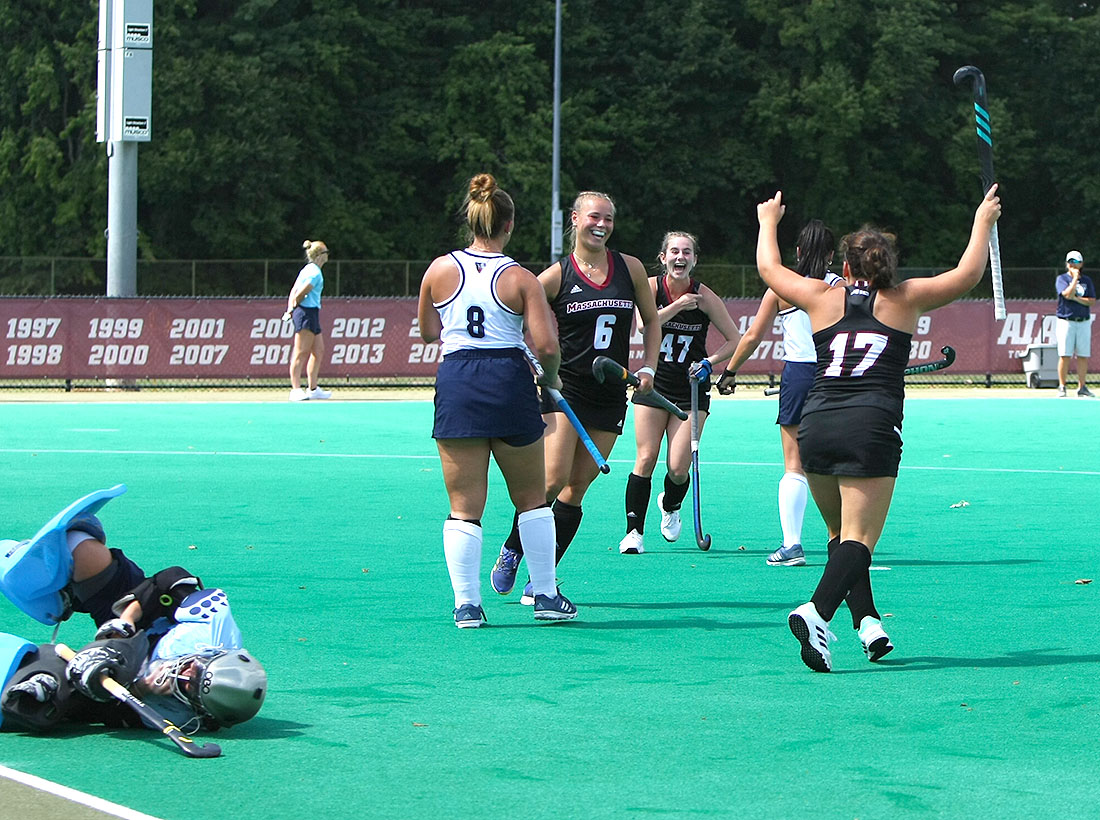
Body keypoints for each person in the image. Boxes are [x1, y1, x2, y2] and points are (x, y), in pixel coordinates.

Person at [754, 186, 1001, 672]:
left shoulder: (823, 296)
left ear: (845, 268)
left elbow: (769, 269)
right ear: (889, 263)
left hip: (817, 421)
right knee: (860, 541)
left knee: (839, 532)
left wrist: (768, 222)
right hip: (870, 426)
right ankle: (816, 611)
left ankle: (867, 621)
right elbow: (968, 273)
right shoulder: (906, 297)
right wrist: (982, 220)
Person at [417, 173, 576, 626]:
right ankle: (545, 595)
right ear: (509, 226)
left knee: (464, 505)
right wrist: (550, 381)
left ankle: (467, 605)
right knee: (531, 497)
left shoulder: (439, 270)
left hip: (458, 382)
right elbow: (546, 346)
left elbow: (430, 331)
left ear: (472, 221)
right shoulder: (520, 277)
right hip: (508, 381)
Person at [490, 190, 662, 599]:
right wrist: (534, 364)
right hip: (566, 392)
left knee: (576, 488)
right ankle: (512, 550)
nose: (601, 225)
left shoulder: (630, 268)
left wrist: (649, 367)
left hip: (610, 393)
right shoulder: (557, 275)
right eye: (593, 217)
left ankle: (541, 580)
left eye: (608, 219)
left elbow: (652, 322)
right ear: (575, 220)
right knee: (551, 481)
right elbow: (513, 315)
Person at [0, 485, 267, 733]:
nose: (185, 674)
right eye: (196, 669)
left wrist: (138, 688)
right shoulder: (215, 623)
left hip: (123, 672)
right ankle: (62, 592)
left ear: (199, 706)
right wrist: (125, 622)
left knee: (36, 701)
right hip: (141, 619)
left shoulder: (180, 718)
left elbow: (112, 715)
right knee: (79, 546)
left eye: (189, 686)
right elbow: (170, 580)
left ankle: (41, 675)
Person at [717, 219, 843, 567]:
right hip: (834, 376)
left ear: (798, 251)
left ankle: (792, 545)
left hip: (799, 375)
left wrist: (729, 372)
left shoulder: (781, 288)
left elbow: (753, 336)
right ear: (832, 254)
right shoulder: (841, 289)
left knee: (794, 464)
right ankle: (847, 539)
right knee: (836, 461)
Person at [620, 231, 739, 554]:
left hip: (690, 389)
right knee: (645, 457)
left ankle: (670, 506)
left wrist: (709, 362)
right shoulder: (652, 287)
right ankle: (634, 532)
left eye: (687, 252)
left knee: (677, 468)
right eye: (674, 251)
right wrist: (678, 307)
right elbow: (643, 326)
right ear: (663, 258)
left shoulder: (704, 296)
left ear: (694, 260)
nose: (680, 257)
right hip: (653, 384)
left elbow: (734, 339)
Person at [285, 239, 332, 401]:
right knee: (301, 352)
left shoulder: (309, 269)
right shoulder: (314, 272)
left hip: (311, 312)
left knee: (318, 351)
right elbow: (300, 292)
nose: (328, 255)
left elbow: (294, 290)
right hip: (305, 313)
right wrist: (293, 307)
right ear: (320, 255)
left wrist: (291, 305)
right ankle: (295, 390)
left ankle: (313, 389)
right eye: (326, 252)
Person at [1055, 250, 1095, 397]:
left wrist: (1076, 298)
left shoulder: (1087, 281)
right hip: (1066, 321)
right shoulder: (1062, 279)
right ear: (1067, 264)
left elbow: (1091, 301)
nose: (1073, 264)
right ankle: (1062, 386)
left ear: (1081, 264)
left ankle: (1082, 387)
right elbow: (1066, 294)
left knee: (1083, 355)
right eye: (1071, 261)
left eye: (1076, 262)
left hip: (1083, 321)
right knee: (1065, 355)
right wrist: (1074, 279)